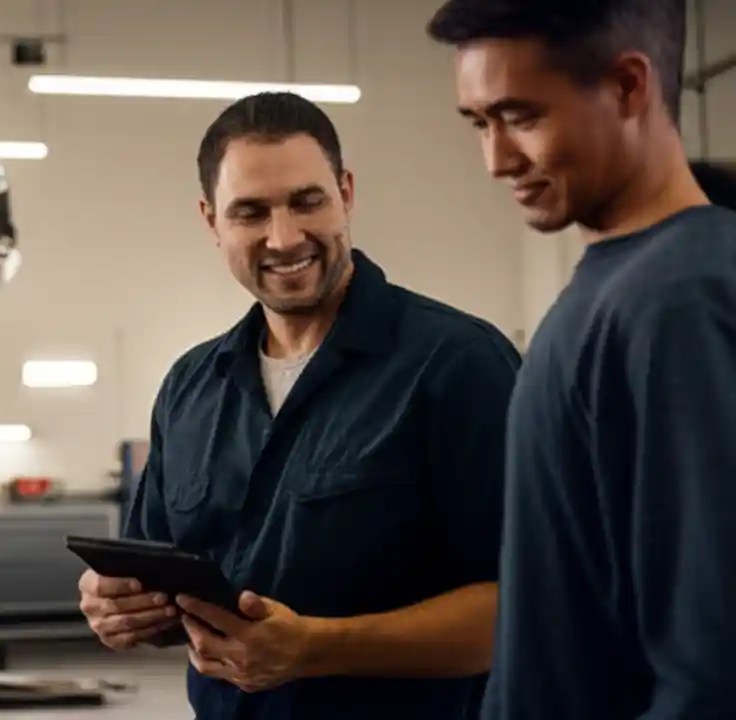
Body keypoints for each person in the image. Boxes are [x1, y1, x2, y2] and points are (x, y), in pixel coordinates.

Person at [77, 92, 521, 719]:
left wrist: (317, 648)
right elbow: (160, 581)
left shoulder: (458, 365)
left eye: (307, 202)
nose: (284, 238)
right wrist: (118, 606)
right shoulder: (191, 387)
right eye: (250, 212)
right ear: (211, 221)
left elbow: (524, 606)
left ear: (346, 193)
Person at [426, 1, 736, 718]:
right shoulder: (612, 292)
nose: (496, 159)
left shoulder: (684, 300)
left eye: (521, 117)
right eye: (479, 123)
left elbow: (712, 668)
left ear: (630, 87)